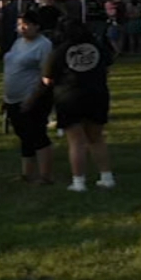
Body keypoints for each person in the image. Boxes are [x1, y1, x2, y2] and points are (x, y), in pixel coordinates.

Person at [44, 19, 117, 192]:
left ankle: (78, 182)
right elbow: (108, 66)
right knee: (97, 139)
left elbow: (48, 78)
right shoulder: (97, 46)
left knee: (76, 142)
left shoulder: (60, 51)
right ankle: (106, 177)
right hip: (97, 95)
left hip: (70, 97)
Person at [1, 14, 56, 184]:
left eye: (26, 24)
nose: (22, 28)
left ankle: (45, 176)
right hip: (12, 97)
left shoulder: (44, 45)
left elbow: (47, 75)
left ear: (37, 26)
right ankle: (26, 173)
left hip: (33, 96)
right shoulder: (18, 43)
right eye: (19, 24)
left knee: (37, 134)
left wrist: (33, 98)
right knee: (24, 135)